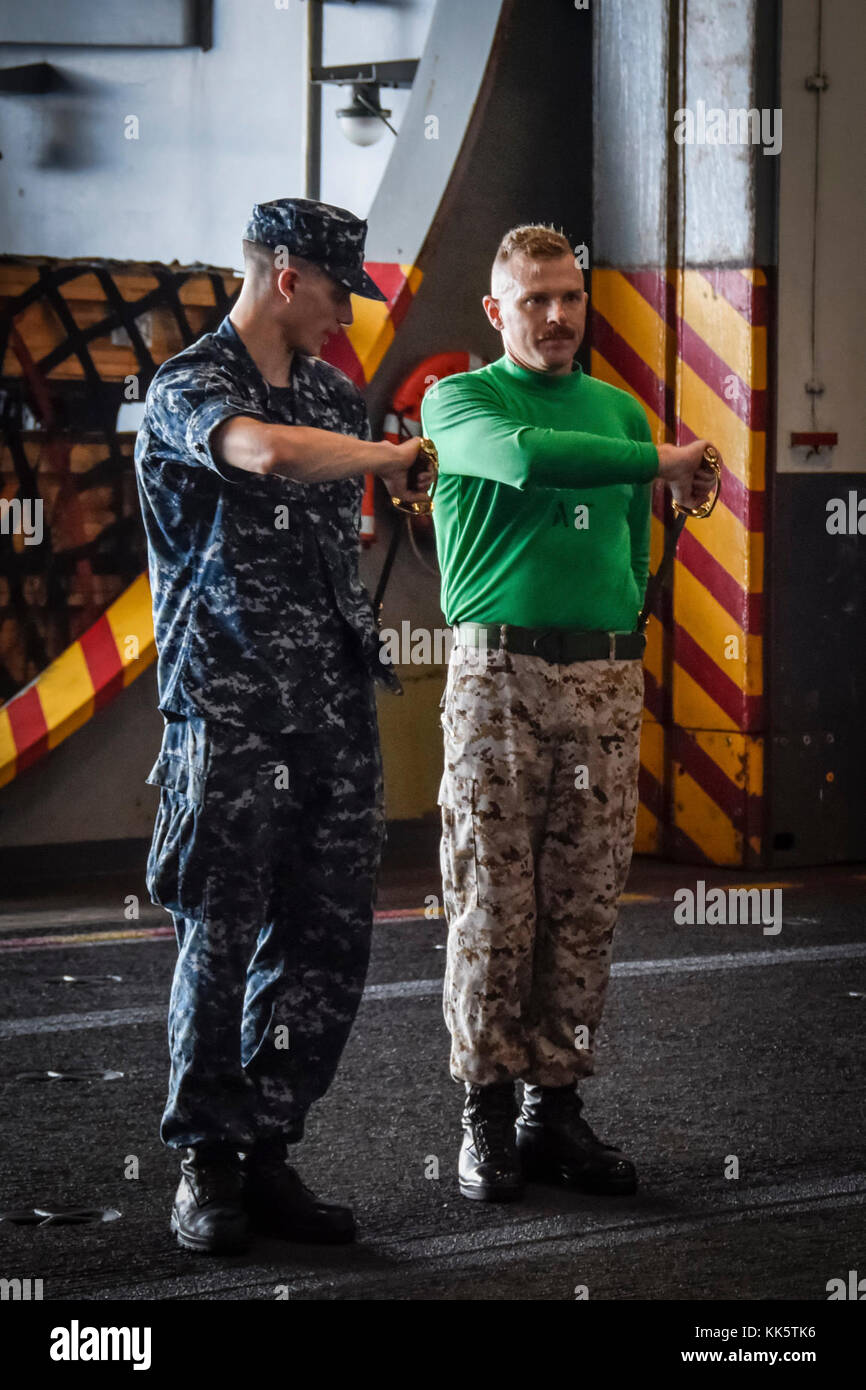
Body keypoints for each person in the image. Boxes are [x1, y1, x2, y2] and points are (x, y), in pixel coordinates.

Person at [134, 197, 427, 1253]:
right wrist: (384, 459)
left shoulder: (334, 396)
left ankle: (265, 1148)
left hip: (332, 712)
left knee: (327, 943)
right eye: (341, 291)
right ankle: (204, 1166)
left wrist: (400, 477)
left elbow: (329, 505)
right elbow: (259, 455)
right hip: (230, 712)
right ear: (289, 277)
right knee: (219, 939)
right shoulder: (189, 387)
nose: (348, 316)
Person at [420, 224, 717, 1203]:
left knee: (585, 904)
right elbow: (527, 457)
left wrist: (655, 463)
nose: (555, 316)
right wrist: (665, 459)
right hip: (498, 680)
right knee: (493, 908)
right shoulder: (459, 400)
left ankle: (557, 1107)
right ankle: (485, 1114)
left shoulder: (621, 413)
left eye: (569, 298)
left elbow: (628, 557)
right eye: (534, 299)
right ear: (495, 311)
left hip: (602, 680)